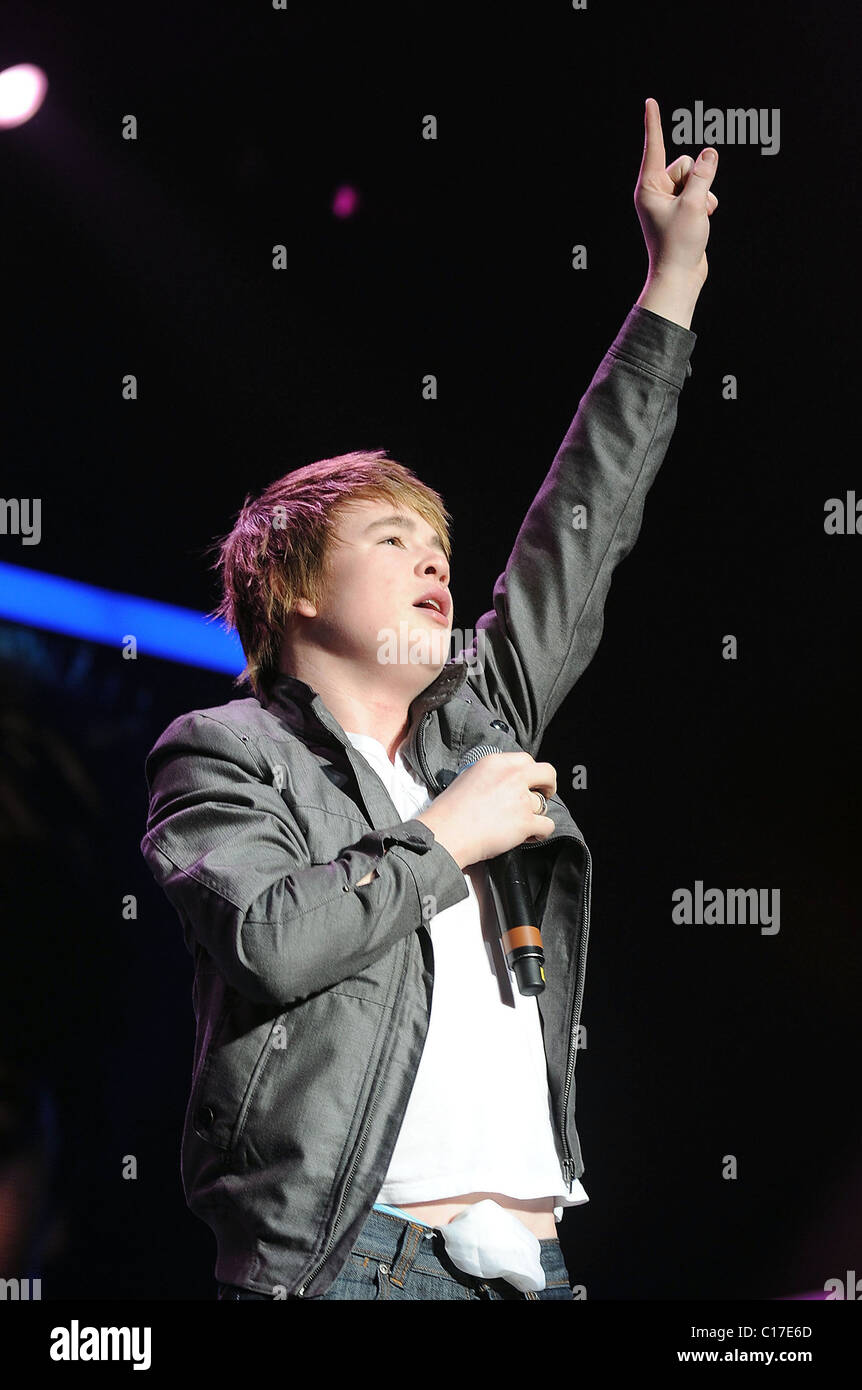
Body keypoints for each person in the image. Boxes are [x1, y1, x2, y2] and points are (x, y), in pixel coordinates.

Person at [140, 98, 717, 1301]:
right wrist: (450, 834)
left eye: (440, 547)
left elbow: (586, 519)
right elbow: (272, 937)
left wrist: (668, 282)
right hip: (352, 1263)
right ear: (291, 589)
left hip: (536, 1264)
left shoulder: (480, 716)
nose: (433, 564)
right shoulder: (225, 750)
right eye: (395, 538)